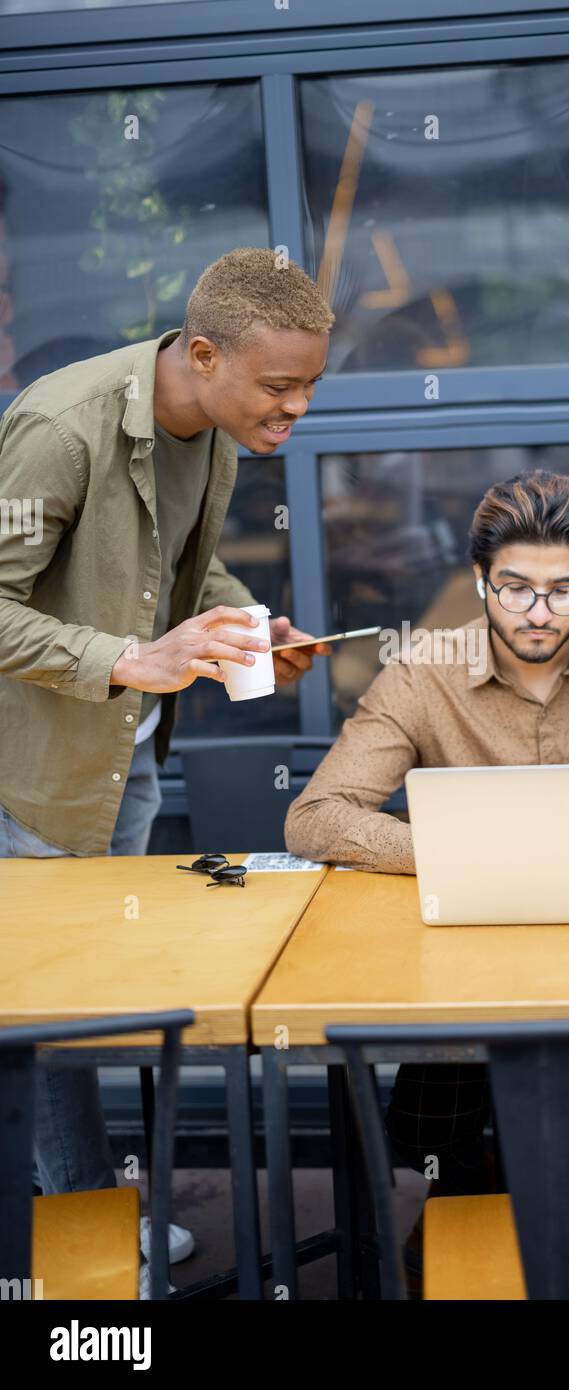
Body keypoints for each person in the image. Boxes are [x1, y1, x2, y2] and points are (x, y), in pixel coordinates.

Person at [0, 247, 333, 1284]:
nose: (297, 410)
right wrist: (127, 659)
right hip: (38, 768)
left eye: (311, 387)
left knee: (87, 999)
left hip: (128, 754)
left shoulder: (217, 431)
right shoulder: (61, 426)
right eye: (280, 387)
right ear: (201, 353)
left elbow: (179, 570)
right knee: (45, 1010)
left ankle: (90, 1214)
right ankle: (89, 1244)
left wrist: (242, 621)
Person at [285, 468, 569, 1201]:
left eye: (563, 591)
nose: (538, 613)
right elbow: (315, 817)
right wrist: (467, 855)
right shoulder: (424, 669)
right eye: (513, 588)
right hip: (468, 952)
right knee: (422, 1130)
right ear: (479, 578)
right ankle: (472, 1218)